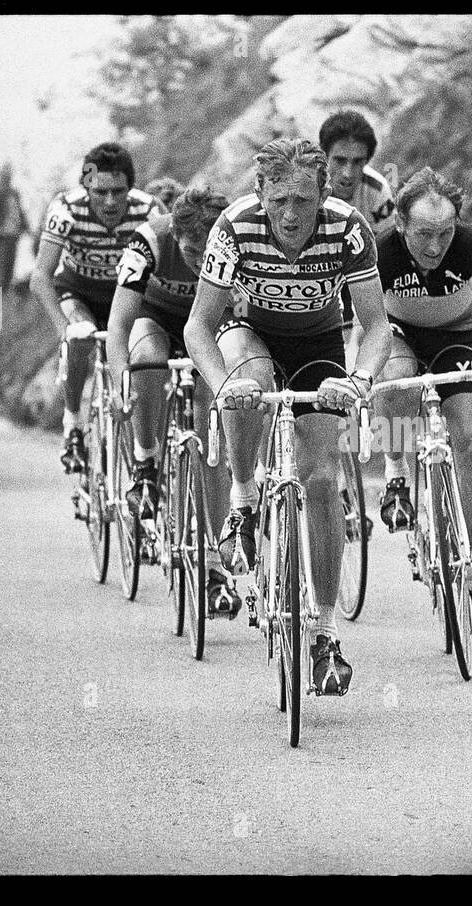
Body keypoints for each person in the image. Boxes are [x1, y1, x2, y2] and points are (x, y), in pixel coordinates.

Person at [181, 137, 392, 697]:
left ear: (323, 195)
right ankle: (245, 499)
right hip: (250, 332)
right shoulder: (233, 226)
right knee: (248, 380)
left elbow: (376, 327)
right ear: (261, 194)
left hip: (319, 343)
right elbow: (199, 326)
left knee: (322, 480)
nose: (291, 215)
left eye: (303, 200)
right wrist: (223, 386)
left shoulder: (348, 228)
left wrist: (359, 381)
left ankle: (324, 634)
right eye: (279, 202)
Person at [372, 166, 472, 636]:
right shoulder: (382, 251)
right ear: (400, 225)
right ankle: (396, 471)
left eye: (445, 232)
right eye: (424, 234)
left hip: (458, 337)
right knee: (394, 377)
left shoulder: (470, 247)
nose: (436, 246)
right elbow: (365, 325)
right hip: (400, 337)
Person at [108, 186, 241, 618]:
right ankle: (146, 464)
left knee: (211, 439)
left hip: (209, 326)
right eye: (190, 252)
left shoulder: (235, 241)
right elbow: (119, 322)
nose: (202, 262)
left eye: (208, 253)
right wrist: (119, 381)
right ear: (175, 235)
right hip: (158, 319)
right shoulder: (148, 241)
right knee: (146, 356)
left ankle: (216, 565)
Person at [30, 142, 161, 473]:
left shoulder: (148, 210)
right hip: (80, 294)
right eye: (101, 192)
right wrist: (64, 330)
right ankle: (72, 420)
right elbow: (41, 277)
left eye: (119, 191)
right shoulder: (65, 210)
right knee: (80, 337)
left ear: (130, 188)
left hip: (128, 298)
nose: (111, 201)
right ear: (86, 186)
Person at [318, 110, 397, 366]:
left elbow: (387, 254)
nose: (348, 173)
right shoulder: (309, 189)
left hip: (359, 276)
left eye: (357, 161)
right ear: (324, 156)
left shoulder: (378, 191)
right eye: (339, 160)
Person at [0, 162, 30, 291]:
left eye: (8, 176)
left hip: (11, 239)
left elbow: (20, 213)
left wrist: (27, 229)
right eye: (4, 175)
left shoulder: (14, 194)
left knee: (7, 276)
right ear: (0, 176)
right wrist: (0, 226)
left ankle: (3, 307)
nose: (7, 178)